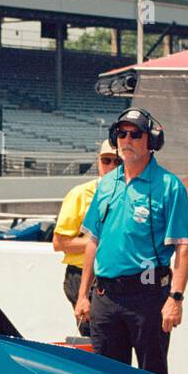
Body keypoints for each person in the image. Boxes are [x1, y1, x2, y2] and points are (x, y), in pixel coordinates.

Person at [75, 107, 188, 374]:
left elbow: (183, 248)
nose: (126, 140)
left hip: (148, 298)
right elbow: (93, 242)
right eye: (121, 133)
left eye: (135, 134)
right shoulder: (105, 185)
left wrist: (175, 298)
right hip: (105, 297)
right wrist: (83, 295)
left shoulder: (170, 186)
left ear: (151, 141)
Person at [53, 140, 120, 335]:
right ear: (98, 162)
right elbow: (59, 243)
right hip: (82, 274)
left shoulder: (128, 194)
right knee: (97, 336)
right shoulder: (80, 194)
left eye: (118, 162)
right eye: (106, 160)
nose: (111, 166)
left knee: (112, 339)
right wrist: (100, 243)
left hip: (114, 277)